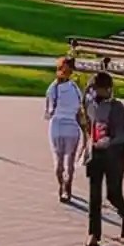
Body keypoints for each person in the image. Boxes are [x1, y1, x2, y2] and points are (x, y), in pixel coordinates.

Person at [84, 71, 124, 246]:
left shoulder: (117, 107)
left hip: (114, 156)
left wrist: (110, 141)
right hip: (95, 154)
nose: (96, 92)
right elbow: (88, 124)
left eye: (99, 89)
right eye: (94, 88)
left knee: (113, 194)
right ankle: (93, 234)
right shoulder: (90, 103)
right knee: (94, 196)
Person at [44, 57, 88, 203]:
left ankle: (63, 187)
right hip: (71, 128)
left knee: (59, 162)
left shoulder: (52, 88)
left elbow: (48, 111)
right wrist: (85, 131)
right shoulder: (75, 89)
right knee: (68, 162)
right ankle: (66, 189)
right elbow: (80, 112)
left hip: (57, 126)